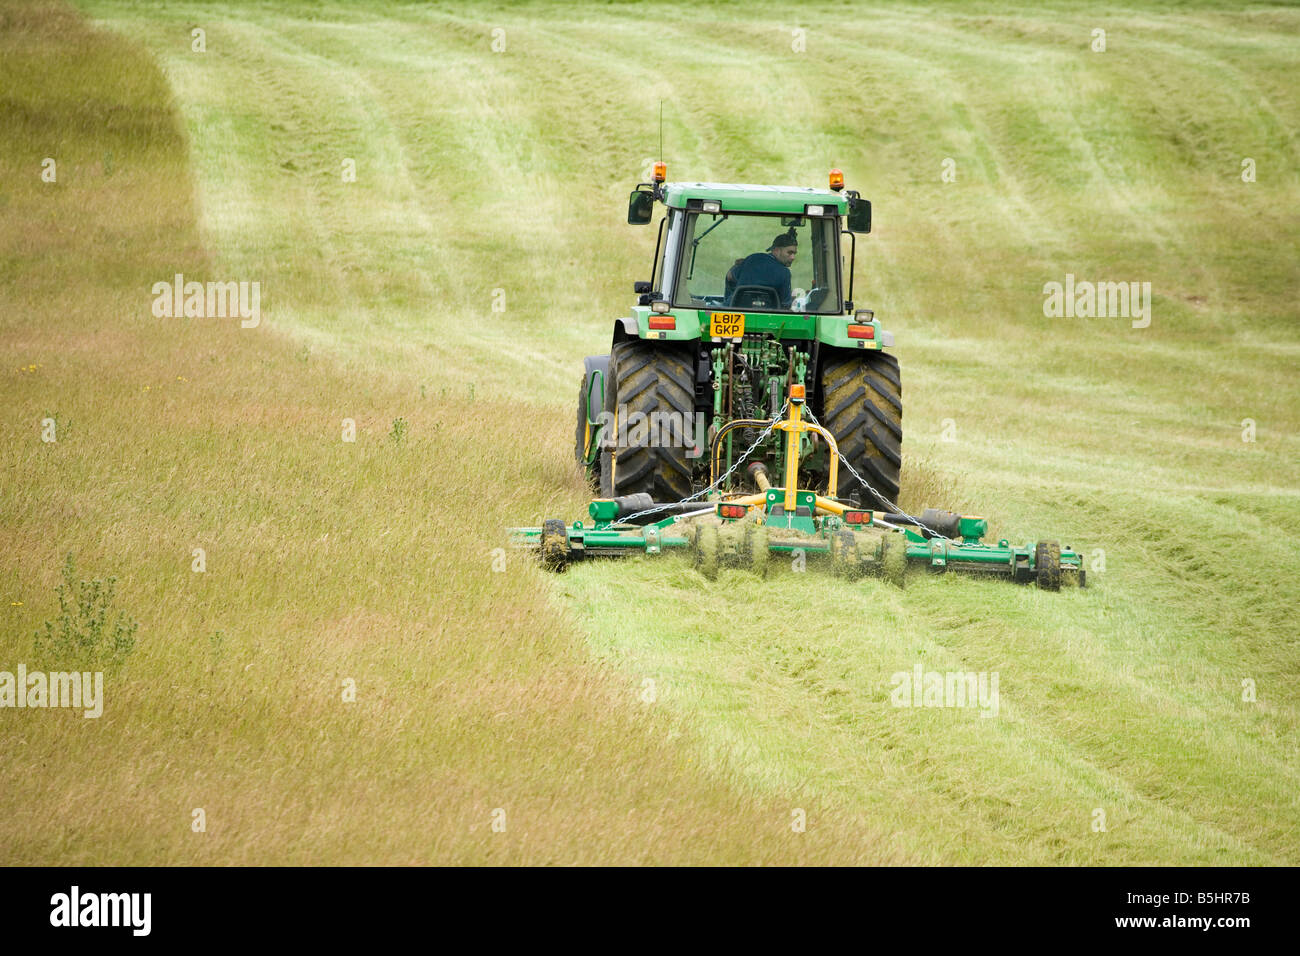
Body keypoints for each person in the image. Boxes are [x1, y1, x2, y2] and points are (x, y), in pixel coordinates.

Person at [726, 230, 797, 309]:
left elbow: (729, 276)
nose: (793, 257)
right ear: (776, 251)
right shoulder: (785, 273)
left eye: (794, 254)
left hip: (737, 311)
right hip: (769, 317)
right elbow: (786, 304)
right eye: (789, 253)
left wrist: (738, 265)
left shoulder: (752, 259)